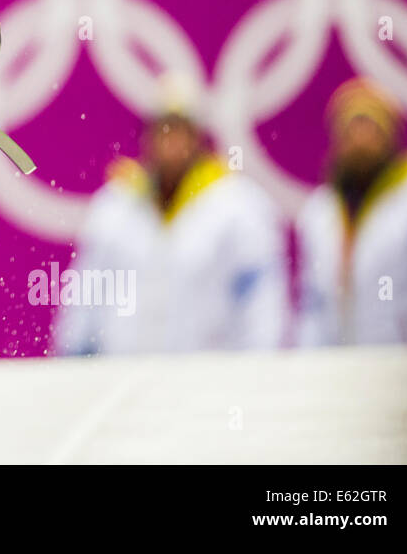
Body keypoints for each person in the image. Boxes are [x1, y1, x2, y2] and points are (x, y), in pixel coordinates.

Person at [55, 74, 289, 354]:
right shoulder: (115, 207)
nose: (171, 142)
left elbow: (262, 307)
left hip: (204, 383)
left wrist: (256, 375)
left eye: (180, 131)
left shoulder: (238, 207)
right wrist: (72, 360)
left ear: (197, 137)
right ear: (148, 137)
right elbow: (85, 301)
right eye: (163, 130)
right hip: (123, 380)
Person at [294, 77, 407, 346]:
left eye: (370, 128)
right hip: (344, 370)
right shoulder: (321, 212)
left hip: (406, 366)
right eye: (351, 129)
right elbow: (313, 306)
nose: (360, 140)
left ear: (389, 137)